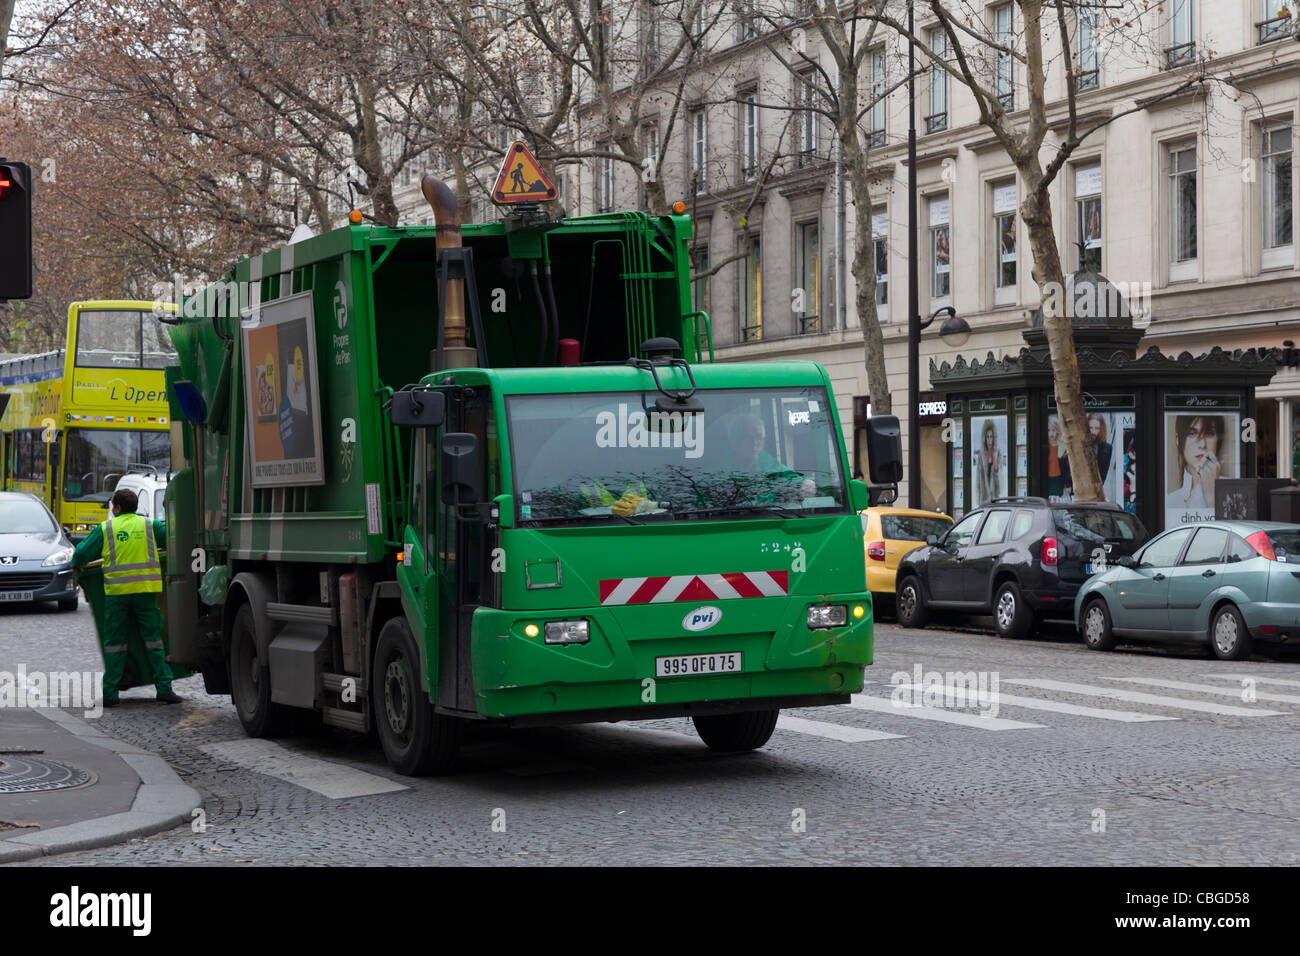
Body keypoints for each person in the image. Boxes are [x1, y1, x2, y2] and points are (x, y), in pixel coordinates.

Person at [73, 487, 180, 706]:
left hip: (117, 595)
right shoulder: (149, 526)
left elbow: (80, 555)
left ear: (118, 507)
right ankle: (164, 688)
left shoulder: (106, 529)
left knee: (115, 643)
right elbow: (174, 539)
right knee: (153, 641)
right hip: (146, 593)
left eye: (113, 506)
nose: (112, 509)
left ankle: (111, 693)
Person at [728, 415, 817, 500]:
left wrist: (805, 484)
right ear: (735, 441)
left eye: (758, 436)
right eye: (747, 437)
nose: (754, 442)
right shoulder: (723, 467)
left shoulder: (768, 463)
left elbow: (791, 479)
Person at [1165, 415, 1224, 515]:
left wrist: (1212, 500)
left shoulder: (1233, 491)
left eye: (1209, 433)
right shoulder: (1170, 501)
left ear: (1217, 439)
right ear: (1178, 439)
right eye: (1192, 433)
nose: (1202, 444)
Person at [974, 419, 1002, 505]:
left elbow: (1000, 474)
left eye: (991, 436)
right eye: (988, 437)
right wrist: (978, 499)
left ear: (994, 438)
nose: (989, 439)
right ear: (985, 438)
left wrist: (995, 457)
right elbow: (978, 479)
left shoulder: (997, 453)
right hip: (984, 498)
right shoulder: (981, 455)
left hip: (995, 497)